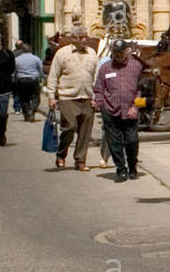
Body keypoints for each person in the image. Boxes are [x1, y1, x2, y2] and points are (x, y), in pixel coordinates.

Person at [93, 39, 146, 182]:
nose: (118, 55)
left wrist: (136, 107)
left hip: (131, 111)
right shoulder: (105, 68)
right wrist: (101, 104)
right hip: (111, 111)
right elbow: (98, 89)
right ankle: (121, 169)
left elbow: (143, 90)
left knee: (132, 141)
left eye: (120, 52)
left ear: (126, 51)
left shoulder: (136, 66)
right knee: (115, 143)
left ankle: (132, 167)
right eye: (115, 52)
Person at [47, 24, 97, 171]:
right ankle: (61, 153)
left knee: (85, 131)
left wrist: (96, 96)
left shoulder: (92, 53)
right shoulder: (62, 54)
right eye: (80, 37)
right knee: (70, 126)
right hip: (67, 97)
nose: (84, 40)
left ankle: (80, 160)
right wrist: (51, 96)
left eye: (85, 37)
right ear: (73, 39)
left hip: (87, 96)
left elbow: (96, 76)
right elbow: (53, 76)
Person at [12, 41, 44, 122]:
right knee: (36, 97)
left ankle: (26, 114)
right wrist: (43, 78)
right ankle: (32, 110)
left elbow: (14, 72)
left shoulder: (17, 59)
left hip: (21, 81)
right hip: (33, 80)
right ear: (30, 50)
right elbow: (41, 70)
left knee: (24, 98)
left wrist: (14, 80)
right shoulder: (36, 58)